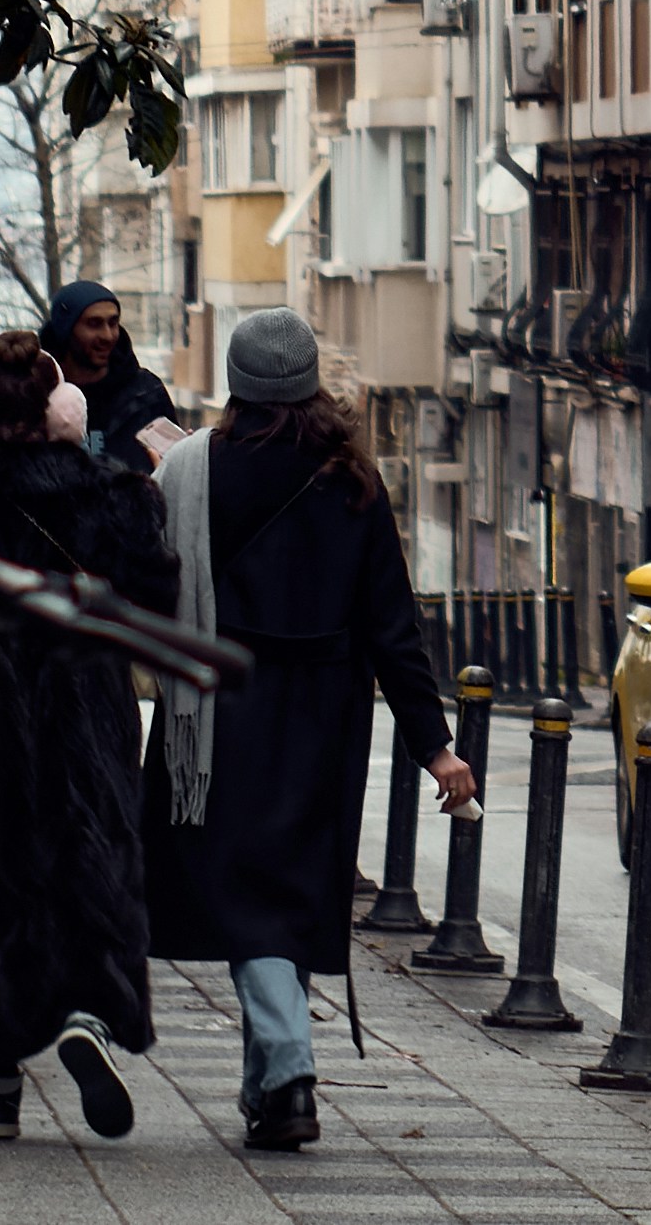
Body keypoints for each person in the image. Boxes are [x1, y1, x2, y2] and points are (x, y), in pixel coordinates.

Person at [151, 309, 469, 1155]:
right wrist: (433, 743)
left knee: (248, 899)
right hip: (325, 714)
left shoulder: (198, 470)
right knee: (286, 892)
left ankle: (288, 1068)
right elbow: (392, 626)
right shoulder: (352, 480)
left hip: (224, 706)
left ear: (237, 382)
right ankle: (271, 1090)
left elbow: (155, 583)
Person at [0, 332, 180, 1142]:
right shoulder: (114, 497)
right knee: (87, 862)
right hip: (82, 708)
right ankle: (87, 1013)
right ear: (61, 411)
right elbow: (155, 595)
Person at [46, 279, 183, 468]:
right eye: (94, 324)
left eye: (113, 323)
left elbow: (174, 468)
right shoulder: (40, 394)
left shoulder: (146, 394)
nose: (108, 335)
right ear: (66, 330)